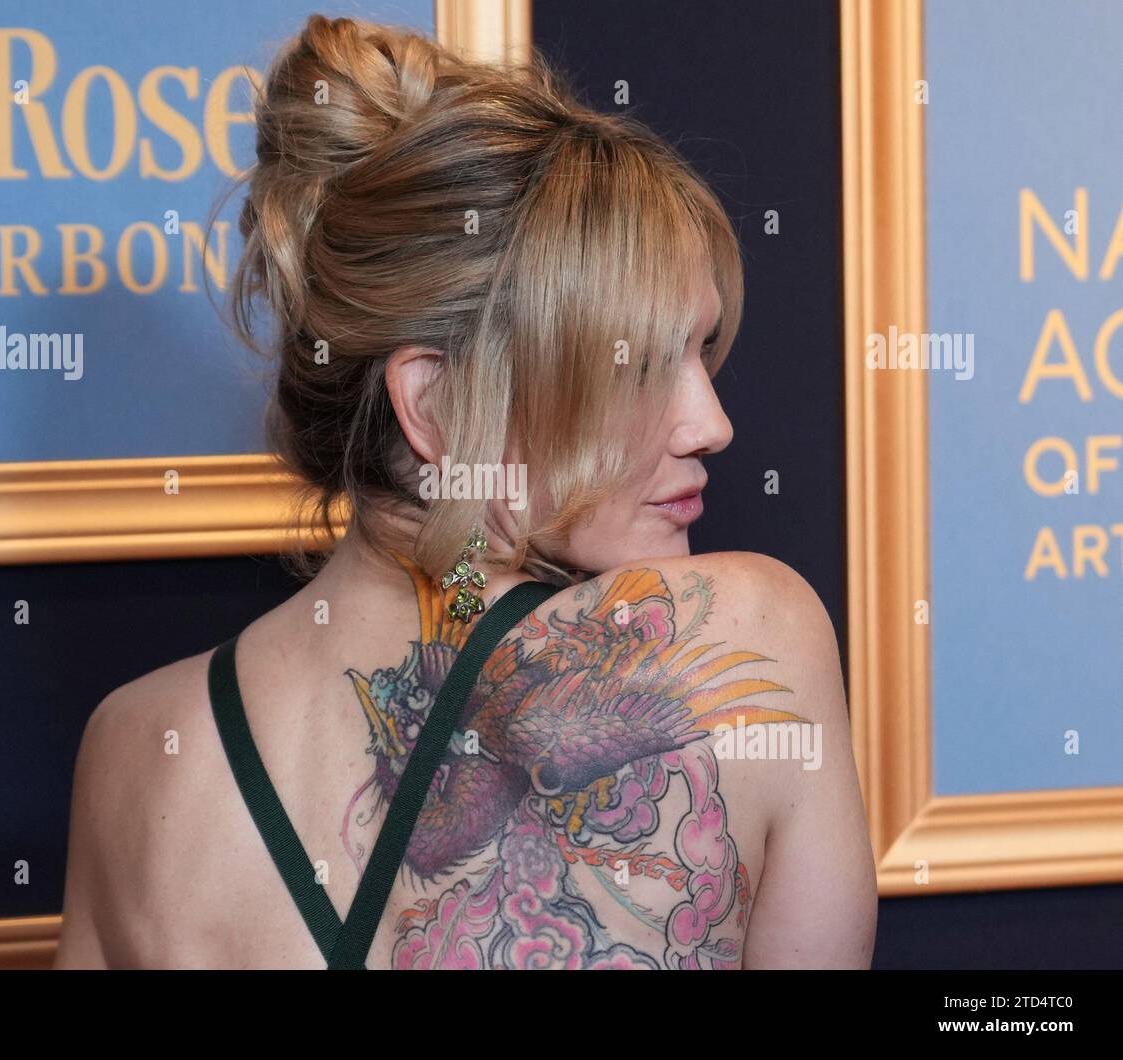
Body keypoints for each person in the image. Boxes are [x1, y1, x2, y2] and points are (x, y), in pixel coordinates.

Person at [53, 13, 877, 969]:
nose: (711, 425)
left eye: (700, 353)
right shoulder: (747, 634)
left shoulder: (133, 748)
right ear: (436, 407)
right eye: (638, 367)